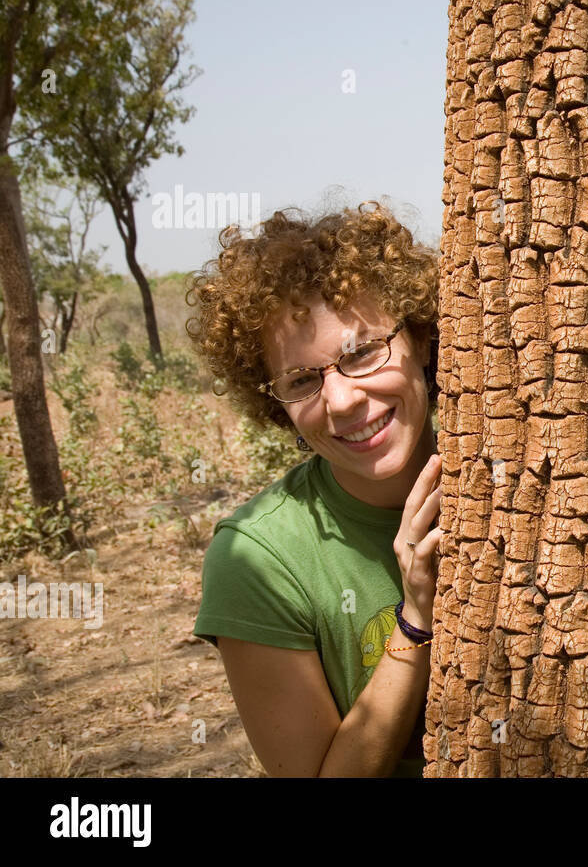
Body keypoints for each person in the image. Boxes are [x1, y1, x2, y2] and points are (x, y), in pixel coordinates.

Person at [187, 203, 442, 777]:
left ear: (422, 341)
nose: (344, 400)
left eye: (362, 352)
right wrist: (416, 620)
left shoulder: (520, 461)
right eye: (302, 379)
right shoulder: (258, 558)